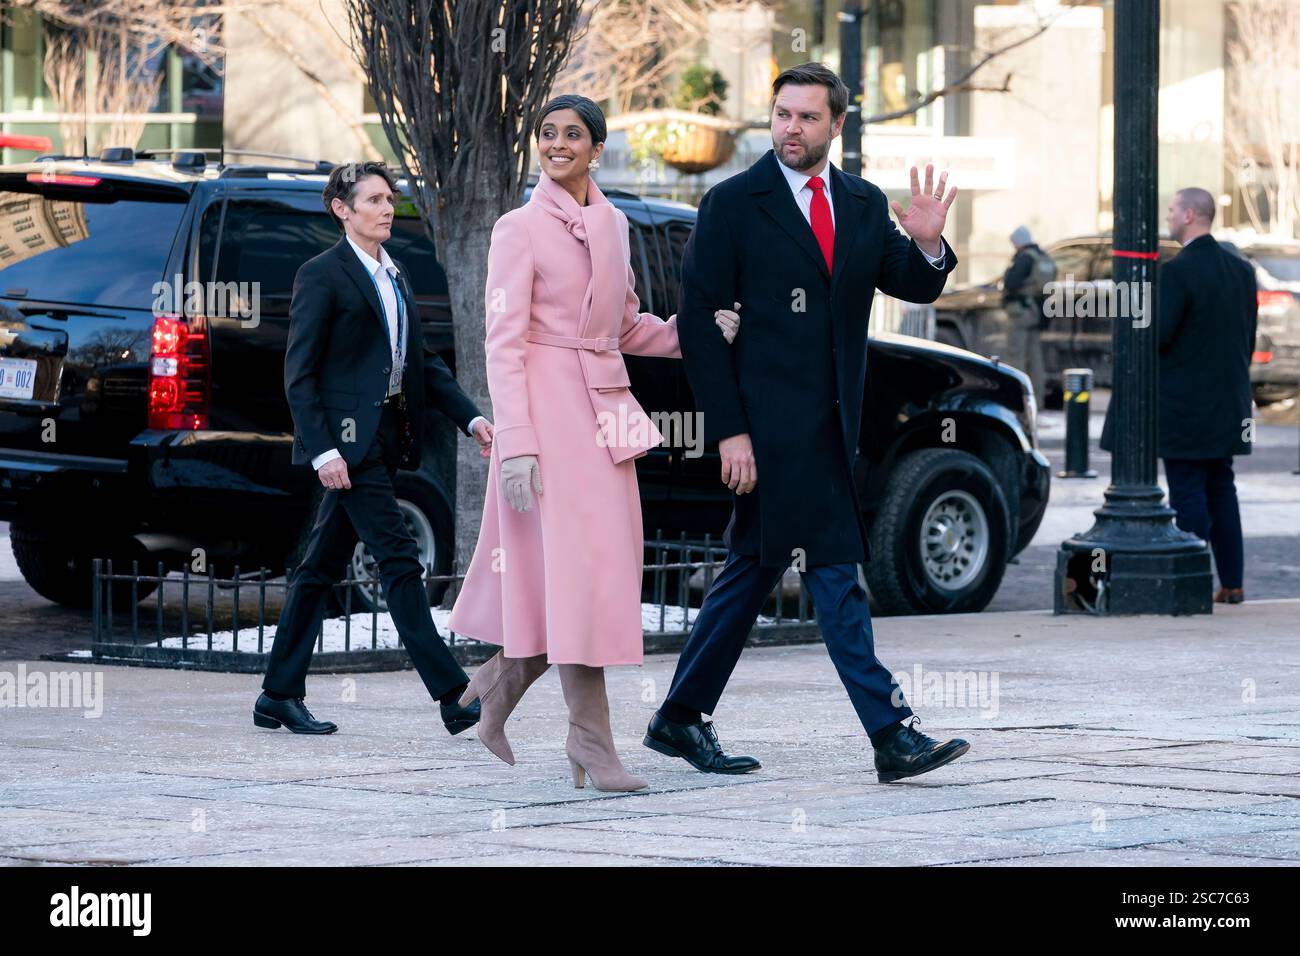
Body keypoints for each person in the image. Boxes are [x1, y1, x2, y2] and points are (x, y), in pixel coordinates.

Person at [643, 62, 970, 784]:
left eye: (807, 117)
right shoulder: (733, 203)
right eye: (783, 114)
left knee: (750, 573)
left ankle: (679, 716)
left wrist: (927, 245)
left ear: (836, 126)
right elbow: (699, 322)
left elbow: (910, 281)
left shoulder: (860, 202)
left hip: (831, 427)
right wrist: (728, 431)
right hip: (764, 433)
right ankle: (891, 731)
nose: (791, 128)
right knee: (834, 575)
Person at [447, 95, 741, 791]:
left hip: (608, 420)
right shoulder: (516, 229)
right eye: (546, 134)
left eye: (571, 135)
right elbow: (501, 343)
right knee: (574, 580)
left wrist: (699, 333)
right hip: (546, 418)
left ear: (596, 147)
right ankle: (591, 741)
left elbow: (627, 327)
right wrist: (516, 440)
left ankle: (498, 682)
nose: (556, 144)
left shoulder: (612, 224)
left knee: (595, 578)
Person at [255, 161, 493, 735]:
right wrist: (323, 452)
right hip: (347, 450)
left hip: (387, 438)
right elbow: (300, 375)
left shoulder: (395, 274)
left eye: (390, 199)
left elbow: (424, 362)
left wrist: (472, 418)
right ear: (343, 210)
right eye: (374, 200)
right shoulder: (322, 275)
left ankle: (277, 695)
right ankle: (454, 695)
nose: (388, 209)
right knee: (400, 561)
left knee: (317, 570)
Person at [1101, 187, 1257, 603]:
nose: (1167, 217)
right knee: (1222, 489)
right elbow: (1248, 334)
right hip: (1230, 402)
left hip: (1186, 407)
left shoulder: (1178, 271)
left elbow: (1160, 336)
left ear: (1189, 216)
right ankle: (1233, 581)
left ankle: (1194, 580)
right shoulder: (1242, 270)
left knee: (1187, 493)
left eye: (1171, 210)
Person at [1002, 225, 1056, 400]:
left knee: (1015, 354)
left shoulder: (1025, 259)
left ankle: (1018, 398)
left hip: (1021, 312)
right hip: (1038, 311)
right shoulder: (1043, 257)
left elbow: (1011, 283)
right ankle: (1037, 398)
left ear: (1018, 242)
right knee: (1035, 357)